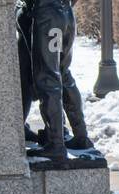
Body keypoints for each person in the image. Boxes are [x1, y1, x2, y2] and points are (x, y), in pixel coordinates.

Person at [24, 0, 90, 161]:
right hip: (65, 13)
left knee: (47, 78)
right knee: (63, 74)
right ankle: (81, 136)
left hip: (48, 15)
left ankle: (56, 143)